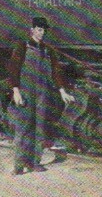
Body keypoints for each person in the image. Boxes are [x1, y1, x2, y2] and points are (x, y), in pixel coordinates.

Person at [9, 16, 75, 175]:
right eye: (39, 29)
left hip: (42, 93)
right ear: (32, 30)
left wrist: (62, 91)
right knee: (23, 129)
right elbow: (14, 68)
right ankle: (18, 165)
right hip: (25, 92)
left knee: (39, 129)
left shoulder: (48, 50)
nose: (42, 33)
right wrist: (15, 90)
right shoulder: (22, 47)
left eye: (44, 30)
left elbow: (56, 72)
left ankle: (34, 163)